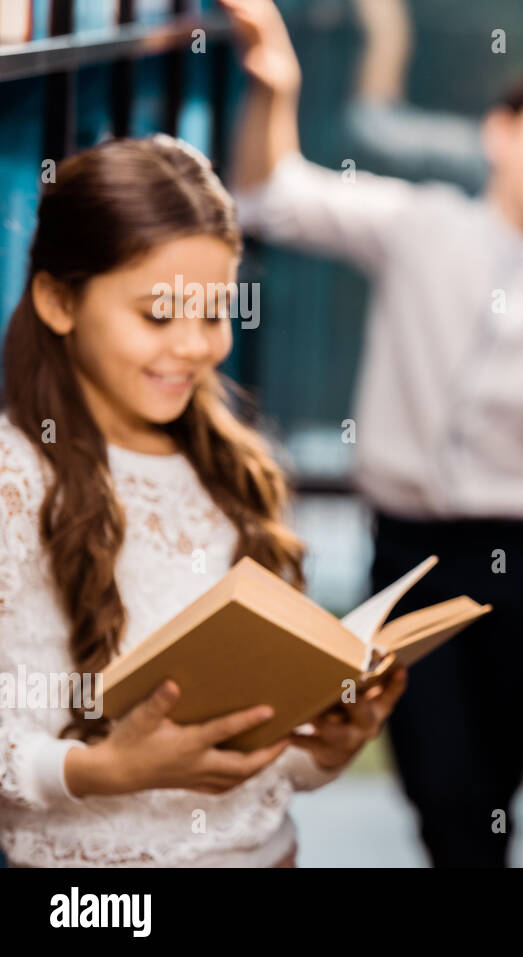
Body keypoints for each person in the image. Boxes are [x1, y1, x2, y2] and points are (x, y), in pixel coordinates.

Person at [220, 0, 523, 866]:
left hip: (517, 575)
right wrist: (280, 83)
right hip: (405, 560)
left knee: (491, 801)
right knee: (444, 793)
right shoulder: (417, 225)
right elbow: (270, 194)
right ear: (501, 131)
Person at [0, 135, 403, 868]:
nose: (193, 345)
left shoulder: (238, 468)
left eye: (214, 312)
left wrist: (329, 745)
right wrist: (101, 770)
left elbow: (263, 761)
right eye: (158, 316)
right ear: (60, 300)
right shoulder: (15, 478)